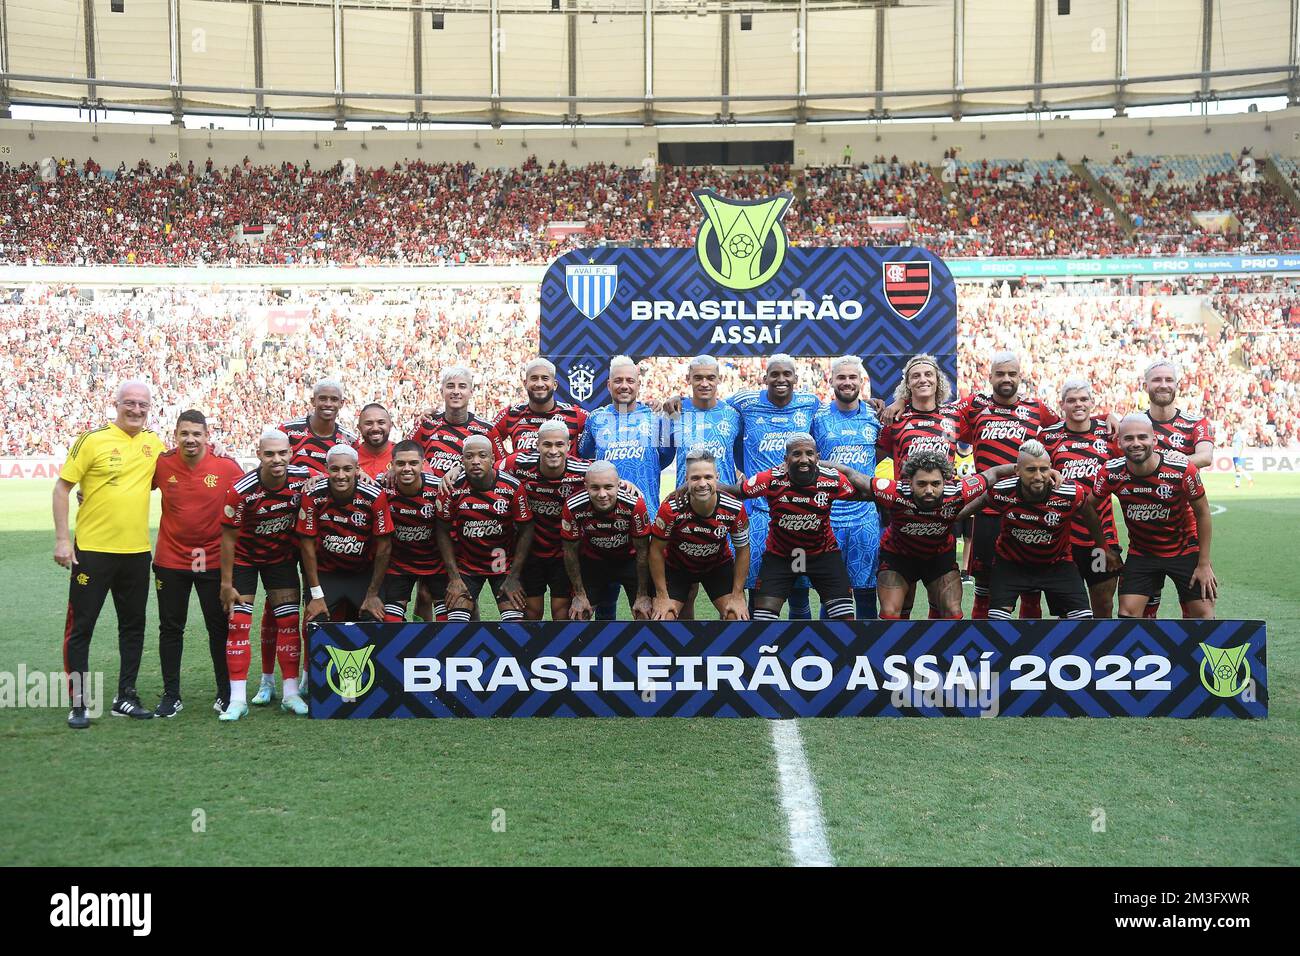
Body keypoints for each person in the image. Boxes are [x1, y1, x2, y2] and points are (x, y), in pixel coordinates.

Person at [54, 380, 166, 728]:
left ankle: (126, 697)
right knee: (82, 627)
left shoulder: (153, 444)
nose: (136, 410)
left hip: (136, 553)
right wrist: (62, 539)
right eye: (129, 403)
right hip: (92, 552)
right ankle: (78, 703)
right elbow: (62, 488)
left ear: (150, 408)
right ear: (115, 404)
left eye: (142, 405)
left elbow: (170, 475)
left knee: (133, 627)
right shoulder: (93, 440)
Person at [950, 351, 1061, 619]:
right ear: (989, 377)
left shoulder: (1038, 409)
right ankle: (984, 652)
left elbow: (1067, 430)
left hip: (1030, 512)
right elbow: (936, 412)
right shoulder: (974, 405)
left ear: (1020, 376)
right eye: (1000, 373)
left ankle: (1028, 650)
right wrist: (900, 402)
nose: (1006, 378)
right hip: (988, 512)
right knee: (984, 591)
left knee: (1031, 592)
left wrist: (1106, 416)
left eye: (1012, 373)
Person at [150, 410, 244, 716]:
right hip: (171, 560)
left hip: (215, 561)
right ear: (175, 435)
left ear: (207, 436)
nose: (190, 439)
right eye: (184, 433)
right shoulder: (162, 463)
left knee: (218, 628)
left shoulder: (226, 466)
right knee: (170, 628)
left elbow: (251, 497)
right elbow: (127, 483)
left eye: (196, 434)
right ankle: (171, 694)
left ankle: (225, 692)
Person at [962, 440, 1116, 621]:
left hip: (1057, 564)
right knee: (997, 621)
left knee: (1083, 619)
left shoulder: (1070, 493)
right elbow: (968, 509)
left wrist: (1104, 549)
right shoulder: (1002, 491)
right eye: (1030, 470)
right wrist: (938, 516)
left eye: (1043, 469)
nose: (1038, 476)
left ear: (1050, 469)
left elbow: (1090, 517)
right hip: (1011, 564)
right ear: (1017, 471)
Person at [218, 428, 313, 721]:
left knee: (288, 623)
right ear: (258, 455)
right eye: (269, 453)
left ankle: (290, 693)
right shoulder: (241, 490)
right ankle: (236, 701)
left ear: (290, 453)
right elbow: (228, 540)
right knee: (238, 626)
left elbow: (329, 481)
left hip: (280, 560)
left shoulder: (302, 480)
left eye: (282, 453)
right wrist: (225, 583)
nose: (276, 459)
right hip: (244, 561)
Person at [1091, 414, 1218, 619]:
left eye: (1142, 437)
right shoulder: (1111, 472)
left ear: (1154, 440)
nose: (1136, 443)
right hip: (1142, 553)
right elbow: (1089, 507)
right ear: (1119, 442)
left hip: (1185, 550)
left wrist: (1203, 564)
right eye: (1129, 438)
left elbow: (1203, 513)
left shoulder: (1182, 470)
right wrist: (1102, 546)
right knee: (1127, 614)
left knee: (1203, 616)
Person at [577, 356, 674, 618]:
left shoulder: (657, 420)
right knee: (604, 600)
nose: (624, 385)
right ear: (608, 385)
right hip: (602, 524)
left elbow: (664, 458)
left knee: (647, 605)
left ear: (638, 384)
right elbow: (585, 457)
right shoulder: (595, 420)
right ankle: (605, 655)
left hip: (648, 522)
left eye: (630, 380)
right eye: (618, 380)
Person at [726, 355, 822, 618]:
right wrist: (680, 402)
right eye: (775, 374)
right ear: (764, 378)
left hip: (800, 515)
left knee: (799, 590)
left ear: (796, 378)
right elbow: (712, 411)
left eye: (787, 374)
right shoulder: (745, 402)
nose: (781, 380)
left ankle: (802, 648)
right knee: (759, 588)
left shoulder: (810, 404)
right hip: (759, 516)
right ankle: (759, 648)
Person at [734, 434, 865, 621]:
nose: (804, 459)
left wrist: (846, 470)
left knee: (845, 620)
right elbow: (739, 491)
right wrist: (697, 487)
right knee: (761, 622)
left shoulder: (832, 480)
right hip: (780, 555)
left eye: (809, 453)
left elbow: (866, 493)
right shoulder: (771, 479)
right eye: (796, 454)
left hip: (823, 554)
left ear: (818, 458)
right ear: (786, 460)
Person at [408, 366, 504, 619]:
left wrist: (459, 469)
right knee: (426, 592)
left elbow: (500, 467)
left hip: (469, 520)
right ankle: (428, 645)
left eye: (462, 386)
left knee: (460, 589)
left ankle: (463, 640)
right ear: (441, 391)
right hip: (429, 517)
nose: (456, 391)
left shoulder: (486, 429)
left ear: (471, 391)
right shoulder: (428, 425)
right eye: (450, 386)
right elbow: (407, 457)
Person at [869, 451, 997, 620]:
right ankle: (895, 646)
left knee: (952, 611)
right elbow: (853, 478)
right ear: (910, 483)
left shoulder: (958, 491)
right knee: (890, 612)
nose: (929, 490)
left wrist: (1021, 470)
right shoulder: (894, 492)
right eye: (921, 484)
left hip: (939, 556)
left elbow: (994, 473)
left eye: (935, 483)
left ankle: (941, 645)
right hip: (898, 556)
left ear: (945, 482)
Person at [667, 354, 744, 618]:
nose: (704, 383)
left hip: (723, 512)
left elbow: (741, 454)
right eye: (698, 377)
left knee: (730, 589)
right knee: (686, 592)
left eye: (710, 377)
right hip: (683, 511)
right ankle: (686, 651)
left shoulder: (733, 415)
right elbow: (663, 455)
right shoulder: (674, 412)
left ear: (719, 379)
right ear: (688, 379)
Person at [1040, 377, 1124, 617]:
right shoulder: (1048, 437)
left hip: (1102, 536)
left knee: (1103, 605)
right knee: (1067, 610)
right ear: (1062, 405)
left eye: (1083, 399)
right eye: (1072, 400)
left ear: (1092, 403)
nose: (1078, 404)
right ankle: (1067, 653)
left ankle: (1103, 652)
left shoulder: (1108, 433)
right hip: (1062, 538)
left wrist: (1110, 415)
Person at [497, 418, 591, 620]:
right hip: (531, 552)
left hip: (566, 554)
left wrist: (627, 484)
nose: (553, 450)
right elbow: (486, 470)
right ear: (538, 445)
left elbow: (609, 480)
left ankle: (564, 651)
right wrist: (454, 472)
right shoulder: (518, 464)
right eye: (547, 444)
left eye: (559, 444)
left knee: (563, 614)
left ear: (568, 446)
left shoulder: (584, 471)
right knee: (531, 612)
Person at [811, 355, 882, 619]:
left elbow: (882, 451)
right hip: (827, 518)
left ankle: (866, 654)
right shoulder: (817, 418)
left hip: (865, 518)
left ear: (861, 381)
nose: (847, 382)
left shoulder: (875, 417)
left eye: (853, 377)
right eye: (841, 377)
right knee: (831, 594)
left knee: (866, 594)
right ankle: (826, 654)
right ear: (831, 381)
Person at [436, 435, 534, 622]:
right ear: (462, 460)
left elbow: (526, 529)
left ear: (492, 459)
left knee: (515, 625)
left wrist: (514, 576)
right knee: (456, 625)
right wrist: (454, 578)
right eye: (469, 456)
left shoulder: (512, 487)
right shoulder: (452, 487)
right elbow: (442, 530)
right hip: (466, 567)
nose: (476, 461)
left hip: (504, 565)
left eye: (482, 456)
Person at [649, 448, 749, 621]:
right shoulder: (671, 508)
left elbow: (743, 550)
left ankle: (725, 648)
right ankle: (683, 647)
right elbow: (655, 551)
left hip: (716, 567)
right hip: (677, 568)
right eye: (695, 478)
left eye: (708, 477)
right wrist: (661, 596)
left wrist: (738, 594)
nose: (702, 483)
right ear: (686, 479)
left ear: (717, 477)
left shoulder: (734, 508)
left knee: (736, 616)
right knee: (663, 618)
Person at [297, 445, 393, 626]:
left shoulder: (374, 495)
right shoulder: (313, 494)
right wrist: (316, 595)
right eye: (335, 469)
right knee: (314, 622)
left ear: (357, 469)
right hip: (326, 573)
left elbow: (384, 547)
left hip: (363, 573)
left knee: (375, 620)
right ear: (326, 469)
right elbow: (307, 545)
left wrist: (372, 594)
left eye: (347, 469)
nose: (341, 475)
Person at [562, 461, 654, 621]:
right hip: (593, 562)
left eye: (608, 487)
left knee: (645, 614)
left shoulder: (634, 504)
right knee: (578, 615)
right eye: (595, 488)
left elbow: (643, 551)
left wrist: (643, 595)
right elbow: (569, 552)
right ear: (586, 486)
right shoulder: (573, 506)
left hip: (630, 561)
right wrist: (579, 594)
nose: (602, 494)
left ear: (618, 485)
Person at [381, 440, 445, 623]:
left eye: (413, 463)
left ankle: (427, 647)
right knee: (390, 621)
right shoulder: (382, 486)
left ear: (423, 464)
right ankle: (403, 648)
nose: (407, 468)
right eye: (400, 463)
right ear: (392, 464)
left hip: (435, 563)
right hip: (399, 563)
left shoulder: (439, 488)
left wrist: (455, 471)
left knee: (448, 620)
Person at [490, 358, 588, 455]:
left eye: (545, 378)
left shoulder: (575, 414)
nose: (539, 384)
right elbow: (487, 436)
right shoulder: (511, 413)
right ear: (525, 384)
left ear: (555, 385)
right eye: (534, 378)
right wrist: (505, 462)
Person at [353, 403, 394, 481]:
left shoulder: (404, 455)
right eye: (369, 423)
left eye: (381, 423)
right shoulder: (350, 458)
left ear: (390, 426)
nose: (375, 428)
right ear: (359, 428)